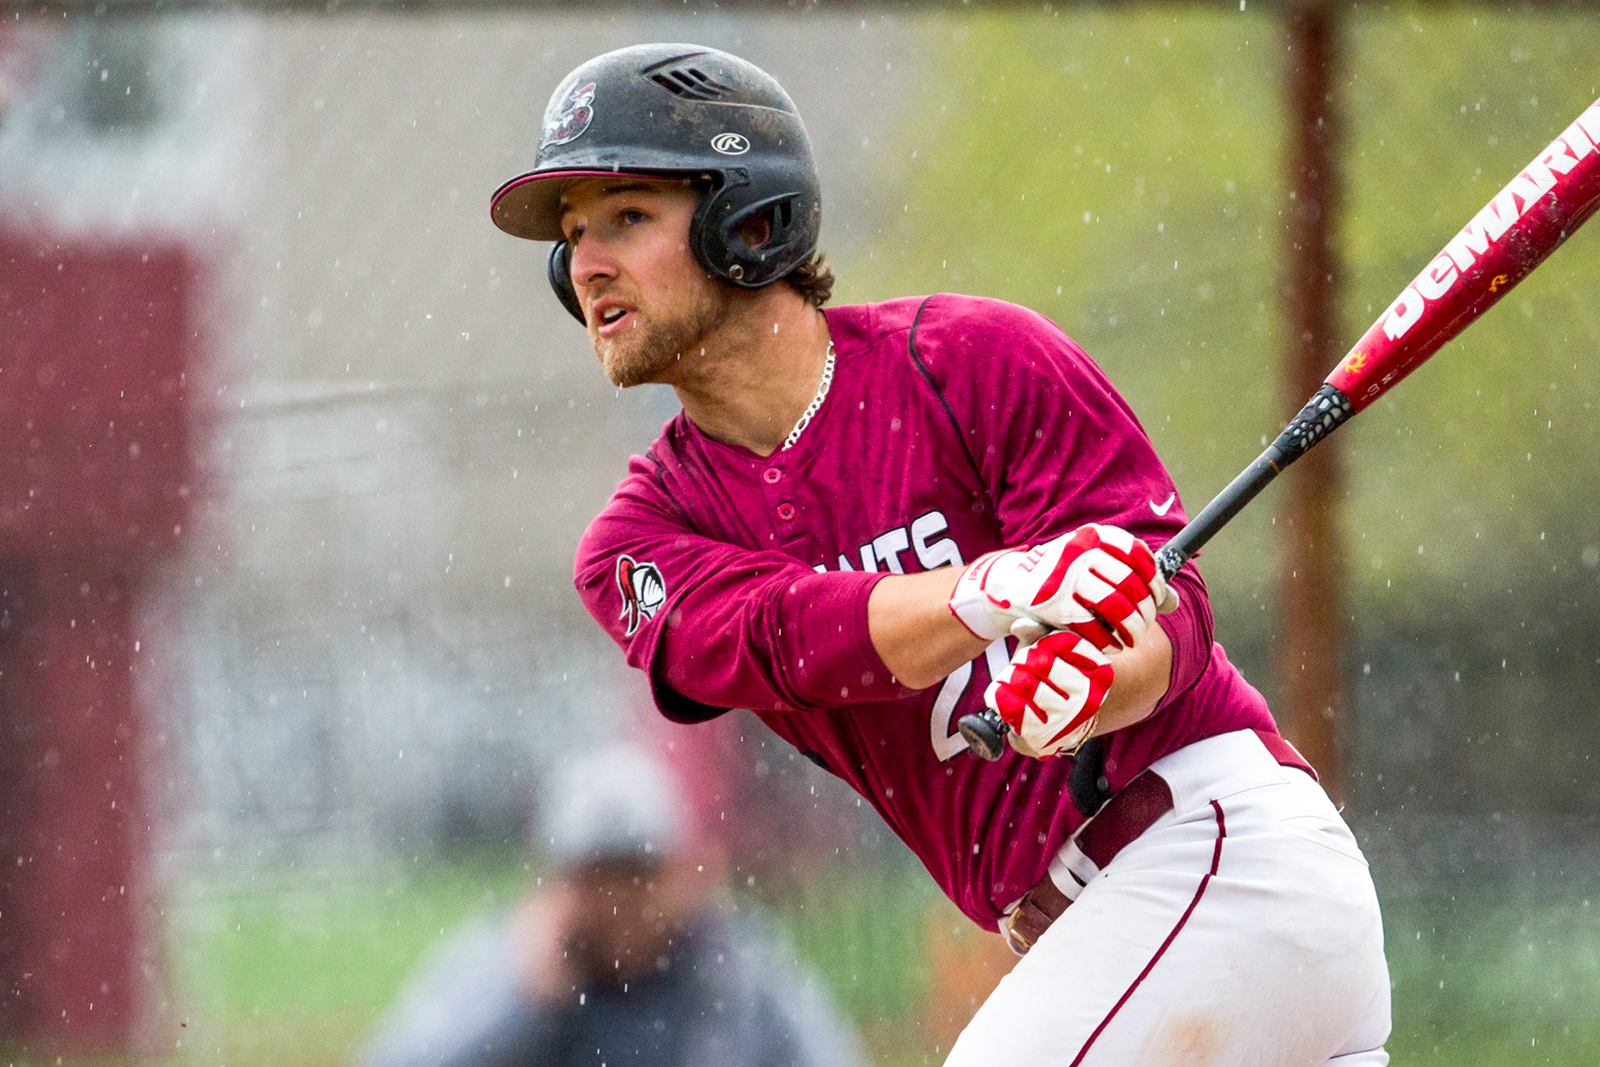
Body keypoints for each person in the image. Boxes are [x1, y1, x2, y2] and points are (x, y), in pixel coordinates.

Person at [491, 43, 1392, 1066]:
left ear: (747, 220)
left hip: (1216, 857)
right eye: (571, 236)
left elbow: (1168, 615)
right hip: (1118, 937)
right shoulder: (645, 533)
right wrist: (988, 590)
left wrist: (1103, 678)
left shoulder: (971, 362)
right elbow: (782, 633)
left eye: (626, 217)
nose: (585, 262)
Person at [357, 744, 865, 1067]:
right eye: (596, 878)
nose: (618, 901)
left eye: (635, 876)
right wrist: (522, 1001)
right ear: (556, 884)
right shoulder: (505, 965)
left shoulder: (734, 973)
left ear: (679, 874)